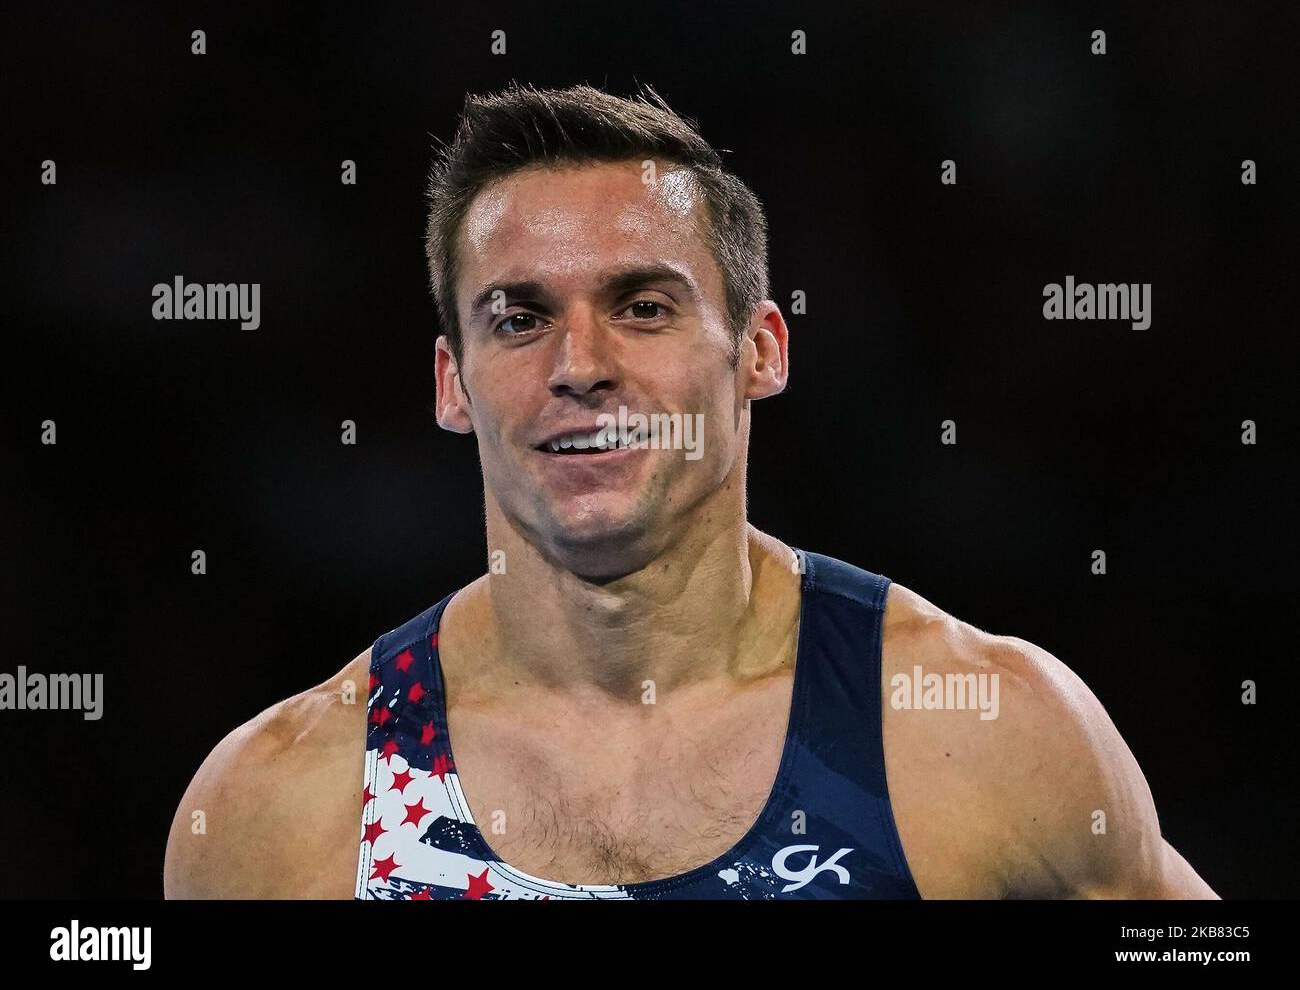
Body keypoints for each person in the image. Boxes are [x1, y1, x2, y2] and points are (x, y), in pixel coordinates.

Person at [164, 82, 1217, 900]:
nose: (579, 363)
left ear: (759, 351)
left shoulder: (977, 734)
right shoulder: (286, 808)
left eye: (642, 305)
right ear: (452, 383)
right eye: (519, 318)